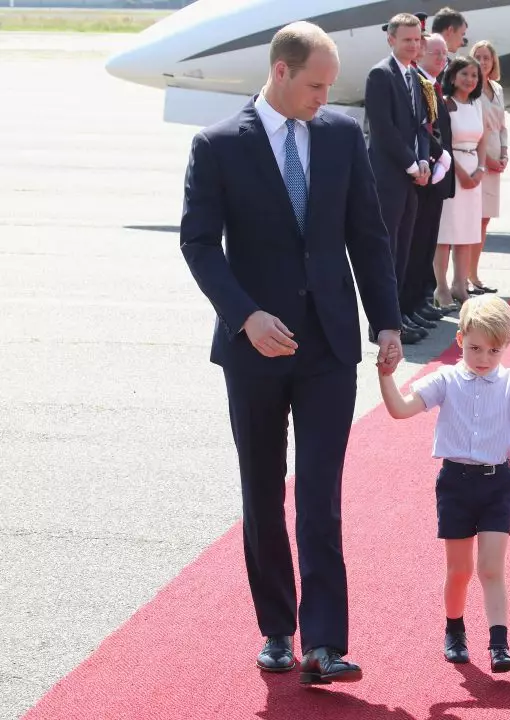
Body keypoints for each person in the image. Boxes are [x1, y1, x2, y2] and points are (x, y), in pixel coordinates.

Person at [179, 21, 405, 686]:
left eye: (330, 85)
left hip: (330, 345)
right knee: (262, 490)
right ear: (280, 72)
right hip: (254, 349)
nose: (324, 96)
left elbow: (369, 234)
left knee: (320, 495)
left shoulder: (339, 135)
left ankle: (325, 643)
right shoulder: (218, 146)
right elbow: (198, 243)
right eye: (315, 84)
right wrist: (244, 315)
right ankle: (277, 629)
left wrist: (387, 321)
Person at [377, 295, 510, 672]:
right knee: (460, 570)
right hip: (455, 484)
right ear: (460, 339)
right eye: (476, 348)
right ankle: (455, 630)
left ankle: (499, 644)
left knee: (492, 568)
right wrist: (386, 376)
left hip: (498, 483)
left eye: (494, 350)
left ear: (505, 347)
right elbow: (400, 409)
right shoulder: (446, 379)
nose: (484, 358)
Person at [365, 13, 433, 344]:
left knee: (403, 251)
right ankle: (381, 324)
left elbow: (420, 125)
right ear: (391, 40)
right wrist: (411, 164)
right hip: (389, 178)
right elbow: (383, 129)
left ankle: (397, 317)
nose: (413, 45)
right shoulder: (380, 75)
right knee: (386, 252)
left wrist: (423, 160)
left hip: (409, 178)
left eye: (417, 39)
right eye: (407, 39)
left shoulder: (416, 76)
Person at [404, 32, 456, 327]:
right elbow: (424, 128)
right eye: (436, 53)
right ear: (421, 53)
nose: (442, 59)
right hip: (425, 175)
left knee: (426, 243)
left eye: (444, 54)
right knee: (416, 244)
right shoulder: (419, 83)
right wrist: (440, 155)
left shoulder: (432, 85)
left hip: (437, 175)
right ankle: (411, 303)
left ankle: (421, 300)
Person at [433, 55, 486, 310]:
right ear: (453, 76)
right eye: (464, 74)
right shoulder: (445, 103)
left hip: (474, 170)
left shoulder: (476, 105)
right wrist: (462, 173)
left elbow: (483, 139)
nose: (470, 79)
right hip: (451, 172)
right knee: (445, 235)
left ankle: (460, 285)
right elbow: (442, 141)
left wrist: (480, 169)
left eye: (474, 75)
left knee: (466, 234)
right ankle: (441, 287)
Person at [470, 40, 508, 295]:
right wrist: (488, 160)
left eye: (487, 57)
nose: (484, 61)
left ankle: (474, 274)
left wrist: (504, 153)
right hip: (477, 158)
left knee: (483, 222)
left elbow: (502, 125)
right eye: (479, 57)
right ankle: (463, 276)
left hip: (496, 155)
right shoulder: (471, 89)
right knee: (470, 221)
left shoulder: (497, 88)